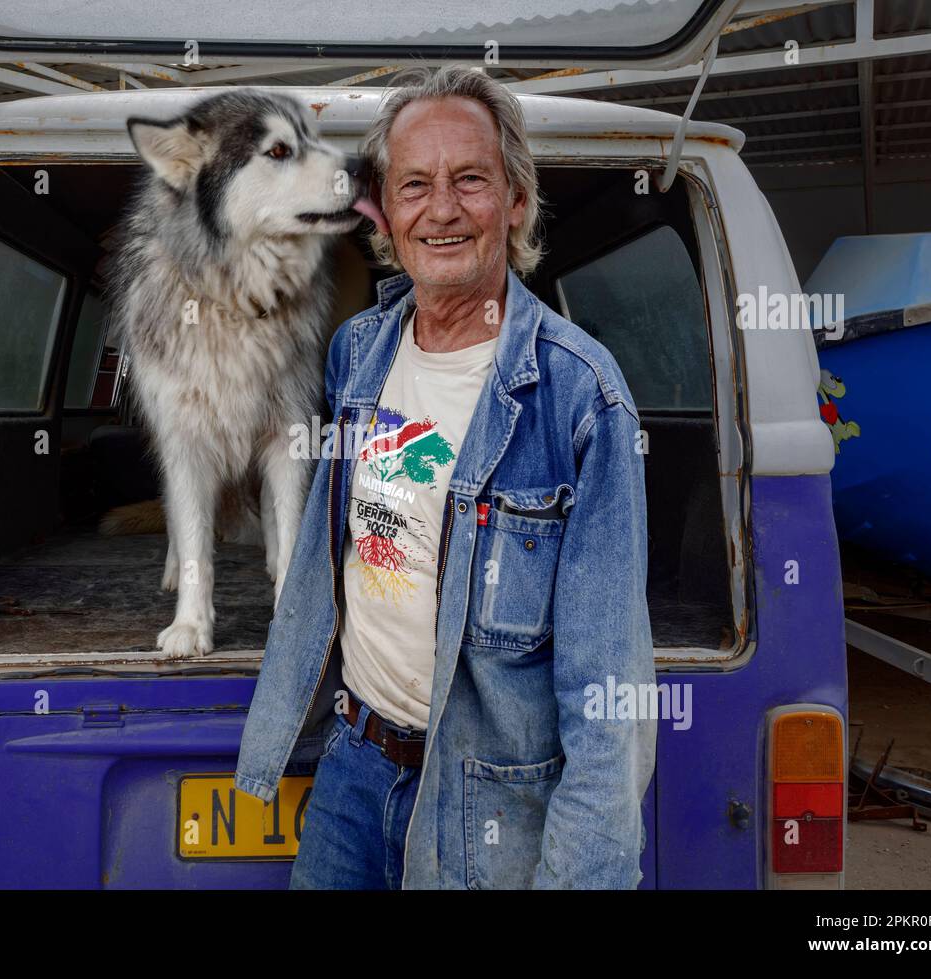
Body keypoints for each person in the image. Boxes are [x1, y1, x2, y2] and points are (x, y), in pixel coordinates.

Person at [235, 64, 656, 889]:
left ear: (518, 202)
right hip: (353, 769)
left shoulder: (581, 396)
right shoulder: (360, 351)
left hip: (486, 797)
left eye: (471, 179)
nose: (443, 208)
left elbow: (611, 696)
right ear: (386, 217)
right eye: (415, 185)